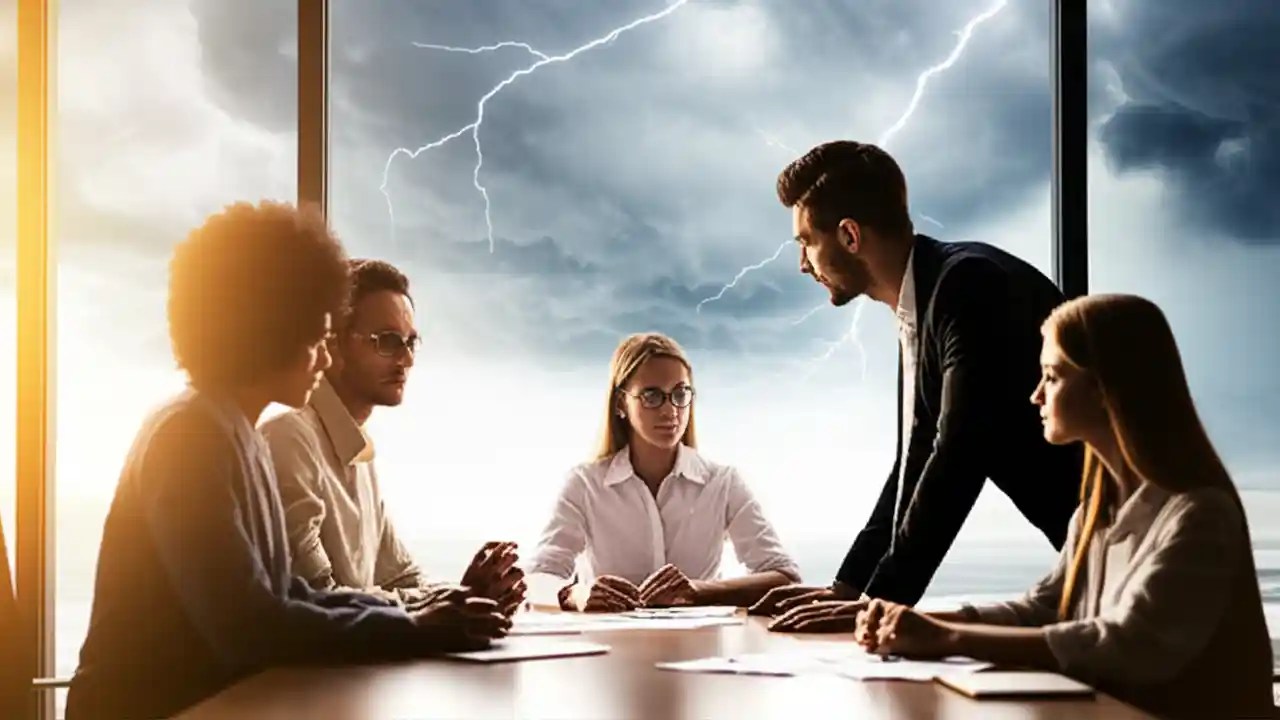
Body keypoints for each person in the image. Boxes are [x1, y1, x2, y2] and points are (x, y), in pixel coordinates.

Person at [66, 202, 509, 720]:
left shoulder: (236, 432)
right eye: (318, 337)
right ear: (269, 329)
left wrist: (419, 617)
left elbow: (287, 594)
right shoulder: (188, 436)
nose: (325, 358)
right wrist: (411, 626)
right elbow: (248, 625)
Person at [850, 294, 1274, 720]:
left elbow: (1127, 644)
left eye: (1052, 377)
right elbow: (1044, 609)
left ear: (1105, 388)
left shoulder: (1199, 516)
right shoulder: (1095, 513)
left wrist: (950, 639)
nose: (1035, 396)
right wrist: (914, 620)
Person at [754, 140, 1082, 631]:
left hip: (1133, 539)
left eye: (805, 241)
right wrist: (847, 588)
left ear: (849, 235)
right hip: (1091, 542)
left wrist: (881, 604)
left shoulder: (966, 287)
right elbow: (916, 461)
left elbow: (957, 455)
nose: (802, 263)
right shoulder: (923, 302)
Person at [263, 259, 525, 614]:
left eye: (410, 342)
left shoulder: (359, 451)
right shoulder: (288, 440)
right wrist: (447, 600)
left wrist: (465, 593)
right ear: (334, 345)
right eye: (387, 341)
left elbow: (402, 580)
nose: (406, 359)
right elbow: (319, 598)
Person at [525, 333, 800, 611]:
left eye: (680, 394)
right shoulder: (585, 484)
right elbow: (537, 578)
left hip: (700, 651)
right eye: (652, 395)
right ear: (621, 403)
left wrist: (698, 590)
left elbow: (785, 576)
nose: (670, 411)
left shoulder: (723, 483)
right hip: (611, 649)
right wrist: (577, 595)